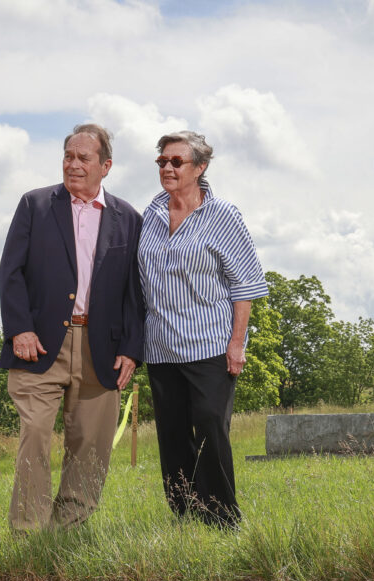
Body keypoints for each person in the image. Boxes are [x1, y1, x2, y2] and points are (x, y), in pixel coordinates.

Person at [0, 123, 144, 531]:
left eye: (84, 158)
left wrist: (132, 349)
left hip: (102, 349)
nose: (73, 164)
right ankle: (28, 534)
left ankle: (68, 533)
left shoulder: (129, 218)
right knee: (36, 434)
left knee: (92, 447)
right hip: (39, 345)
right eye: (68, 156)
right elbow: (10, 272)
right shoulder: (35, 205)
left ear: (106, 166)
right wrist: (19, 329)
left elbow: (136, 292)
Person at [138, 130, 268, 529]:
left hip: (210, 345)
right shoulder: (152, 213)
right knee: (173, 437)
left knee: (211, 426)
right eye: (162, 161)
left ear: (201, 167)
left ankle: (223, 518)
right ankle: (183, 514)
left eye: (177, 162)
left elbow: (245, 283)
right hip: (161, 349)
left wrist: (237, 343)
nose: (167, 168)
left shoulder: (224, 215)